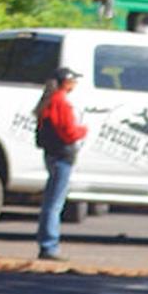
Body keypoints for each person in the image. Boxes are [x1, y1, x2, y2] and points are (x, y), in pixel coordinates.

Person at [34, 66, 87, 261]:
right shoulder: (60, 102)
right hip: (61, 155)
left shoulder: (49, 101)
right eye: (73, 80)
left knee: (52, 201)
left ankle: (47, 244)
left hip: (52, 154)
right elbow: (68, 132)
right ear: (66, 82)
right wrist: (83, 130)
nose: (75, 84)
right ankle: (49, 245)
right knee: (54, 203)